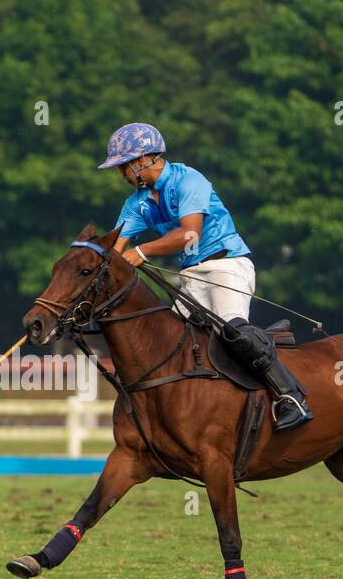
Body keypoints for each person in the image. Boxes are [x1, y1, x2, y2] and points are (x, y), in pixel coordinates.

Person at [99, 122, 312, 429]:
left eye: (123, 166)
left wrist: (142, 252)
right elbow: (115, 248)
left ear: (144, 159)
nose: (120, 175)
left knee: (234, 333)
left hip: (227, 266)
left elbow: (190, 235)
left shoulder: (189, 181)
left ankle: (289, 397)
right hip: (191, 277)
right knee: (167, 344)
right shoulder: (137, 203)